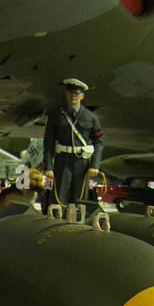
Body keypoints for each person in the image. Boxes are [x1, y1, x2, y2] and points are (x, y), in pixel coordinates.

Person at [42, 78, 103, 212]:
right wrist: (48, 166)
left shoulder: (91, 117)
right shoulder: (56, 115)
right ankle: (56, 225)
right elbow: (48, 141)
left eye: (76, 94)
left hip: (82, 162)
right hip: (62, 160)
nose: (73, 97)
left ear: (82, 96)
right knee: (59, 197)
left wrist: (95, 165)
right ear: (66, 94)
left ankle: (77, 227)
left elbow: (99, 142)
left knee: (80, 199)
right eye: (70, 93)